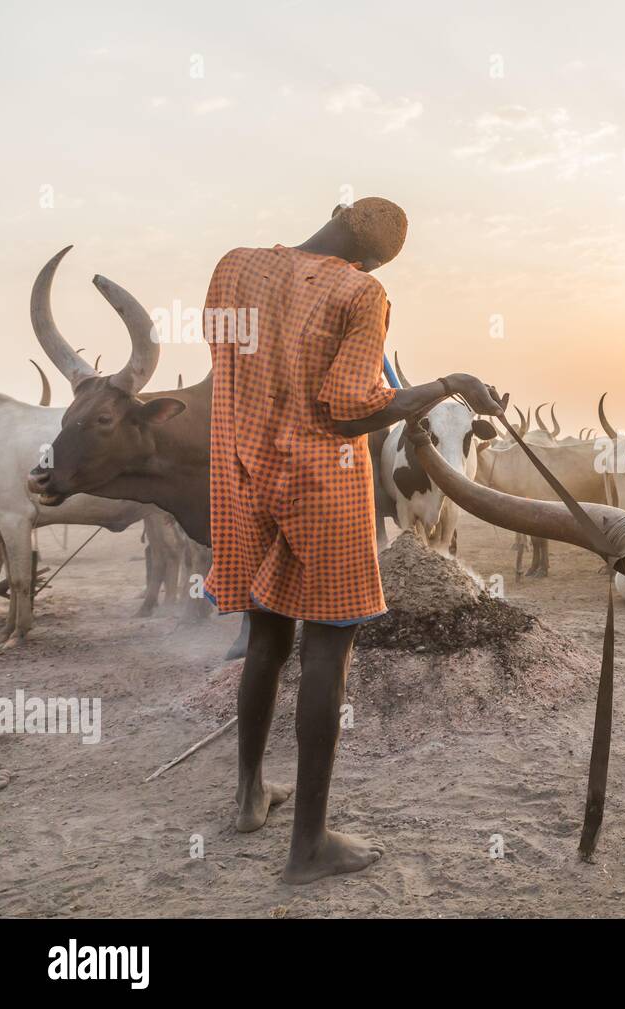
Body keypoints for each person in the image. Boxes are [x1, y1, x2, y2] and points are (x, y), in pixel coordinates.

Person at [203, 197, 504, 882]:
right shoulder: (360, 291)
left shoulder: (233, 268)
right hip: (320, 484)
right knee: (327, 653)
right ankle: (308, 844)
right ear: (370, 261)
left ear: (336, 210)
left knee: (267, 640)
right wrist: (450, 383)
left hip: (246, 478)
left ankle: (249, 797)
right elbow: (352, 409)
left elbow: (236, 360)